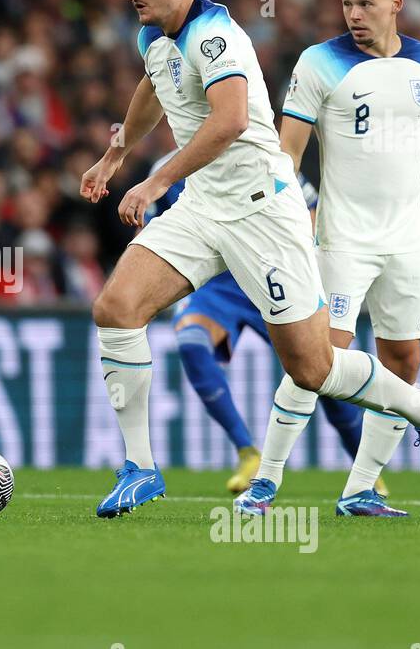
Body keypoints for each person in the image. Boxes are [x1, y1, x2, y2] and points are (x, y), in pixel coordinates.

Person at [79, 0, 420, 519]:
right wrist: (117, 153)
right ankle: (141, 468)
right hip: (204, 205)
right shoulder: (153, 34)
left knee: (312, 368)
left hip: (261, 208)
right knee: (115, 308)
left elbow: (228, 121)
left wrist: (155, 179)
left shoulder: (218, 38)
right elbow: (155, 85)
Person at [245, 0, 420, 518]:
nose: (353, 14)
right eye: (347, 3)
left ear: (396, 4)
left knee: (403, 357)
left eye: (365, 3)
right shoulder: (319, 63)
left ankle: (361, 488)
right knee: (318, 361)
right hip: (341, 239)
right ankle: (265, 484)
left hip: (406, 242)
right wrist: (288, 222)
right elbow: (286, 154)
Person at [145, 156, 372, 494]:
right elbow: (152, 234)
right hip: (216, 285)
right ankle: (247, 453)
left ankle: (364, 467)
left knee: (317, 370)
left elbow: (312, 214)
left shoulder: (267, 154)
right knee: (192, 342)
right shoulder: (166, 169)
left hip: (272, 273)